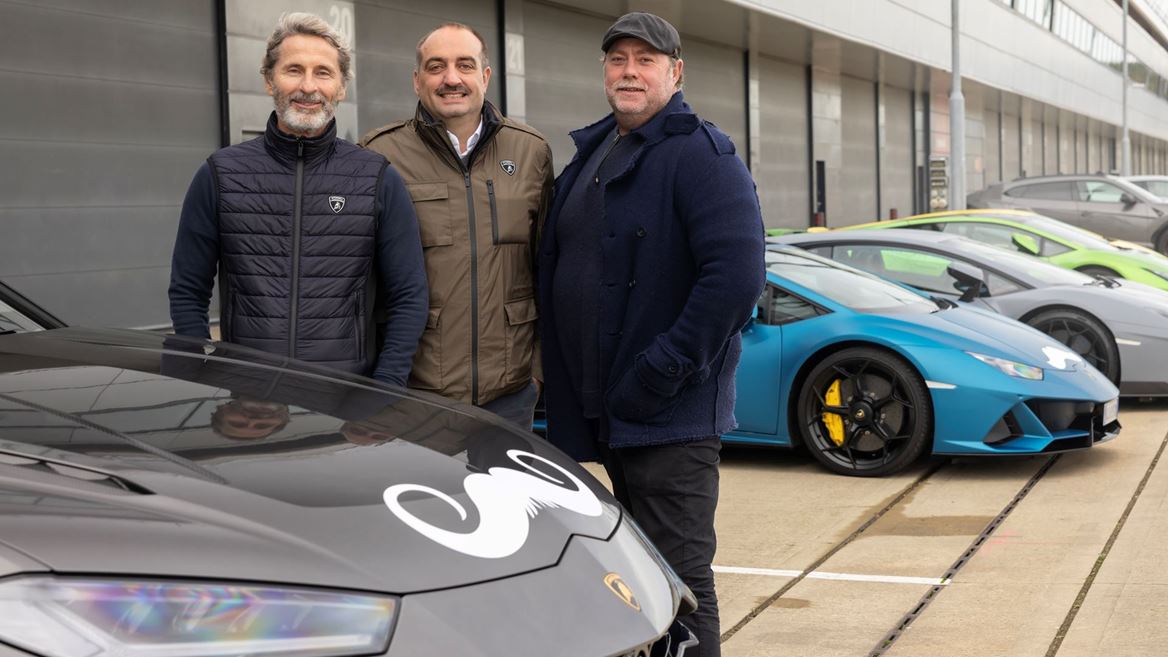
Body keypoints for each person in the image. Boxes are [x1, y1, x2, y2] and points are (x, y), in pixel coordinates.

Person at [537, 12, 765, 657]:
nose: (629, 71)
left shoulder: (702, 154)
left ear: (675, 71)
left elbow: (737, 277)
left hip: (669, 416)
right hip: (612, 414)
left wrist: (660, 371)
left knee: (683, 580)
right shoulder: (602, 148)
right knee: (635, 578)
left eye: (645, 60)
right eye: (618, 59)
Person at [169, 12, 428, 387]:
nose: (308, 87)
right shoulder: (220, 175)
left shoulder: (377, 179)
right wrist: (199, 374)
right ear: (268, 79)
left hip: (344, 401)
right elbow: (188, 290)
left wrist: (385, 389)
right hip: (248, 405)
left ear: (341, 87)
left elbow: (409, 296)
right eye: (294, 70)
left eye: (323, 72)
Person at [360, 23, 553, 428]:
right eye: (436, 67)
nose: (451, 78)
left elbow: (547, 268)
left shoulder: (530, 150)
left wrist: (537, 369)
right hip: (416, 395)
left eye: (465, 65)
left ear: (484, 76)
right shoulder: (379, 154)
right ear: (417, 81)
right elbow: (361, 281)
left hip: (511, 396)